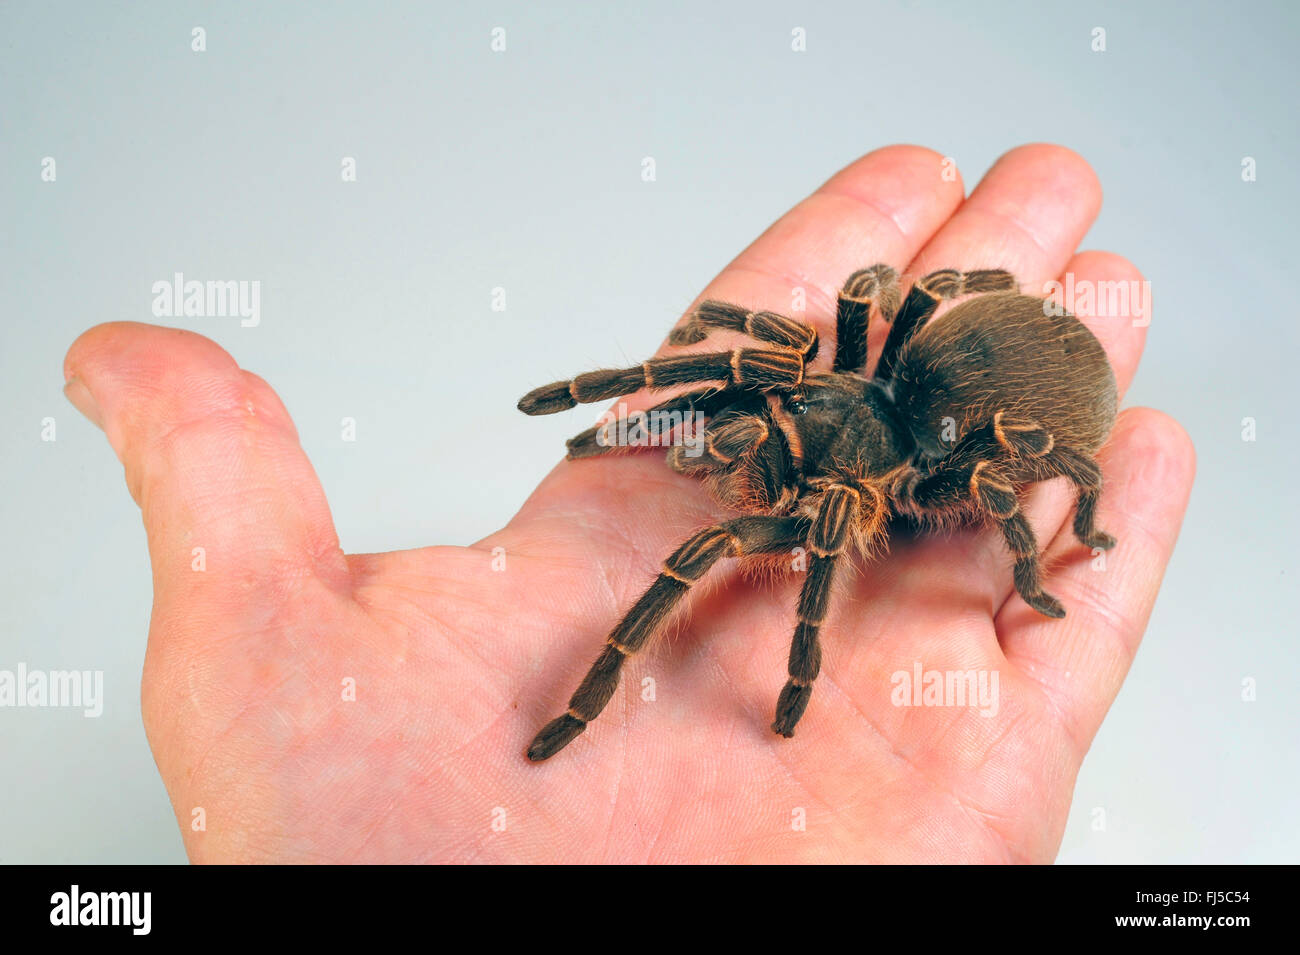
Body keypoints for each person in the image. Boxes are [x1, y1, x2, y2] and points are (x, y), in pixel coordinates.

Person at [62, 144, 1194, 863]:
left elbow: (969, 394)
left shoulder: (881, 489)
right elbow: (795, 336)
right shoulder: (803, 372)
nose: (750, 430)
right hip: (913, 379)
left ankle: (627, 697)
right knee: (756, 353)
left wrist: (1048, 556)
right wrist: (615, 421)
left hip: (958, 421)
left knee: (727, 537)